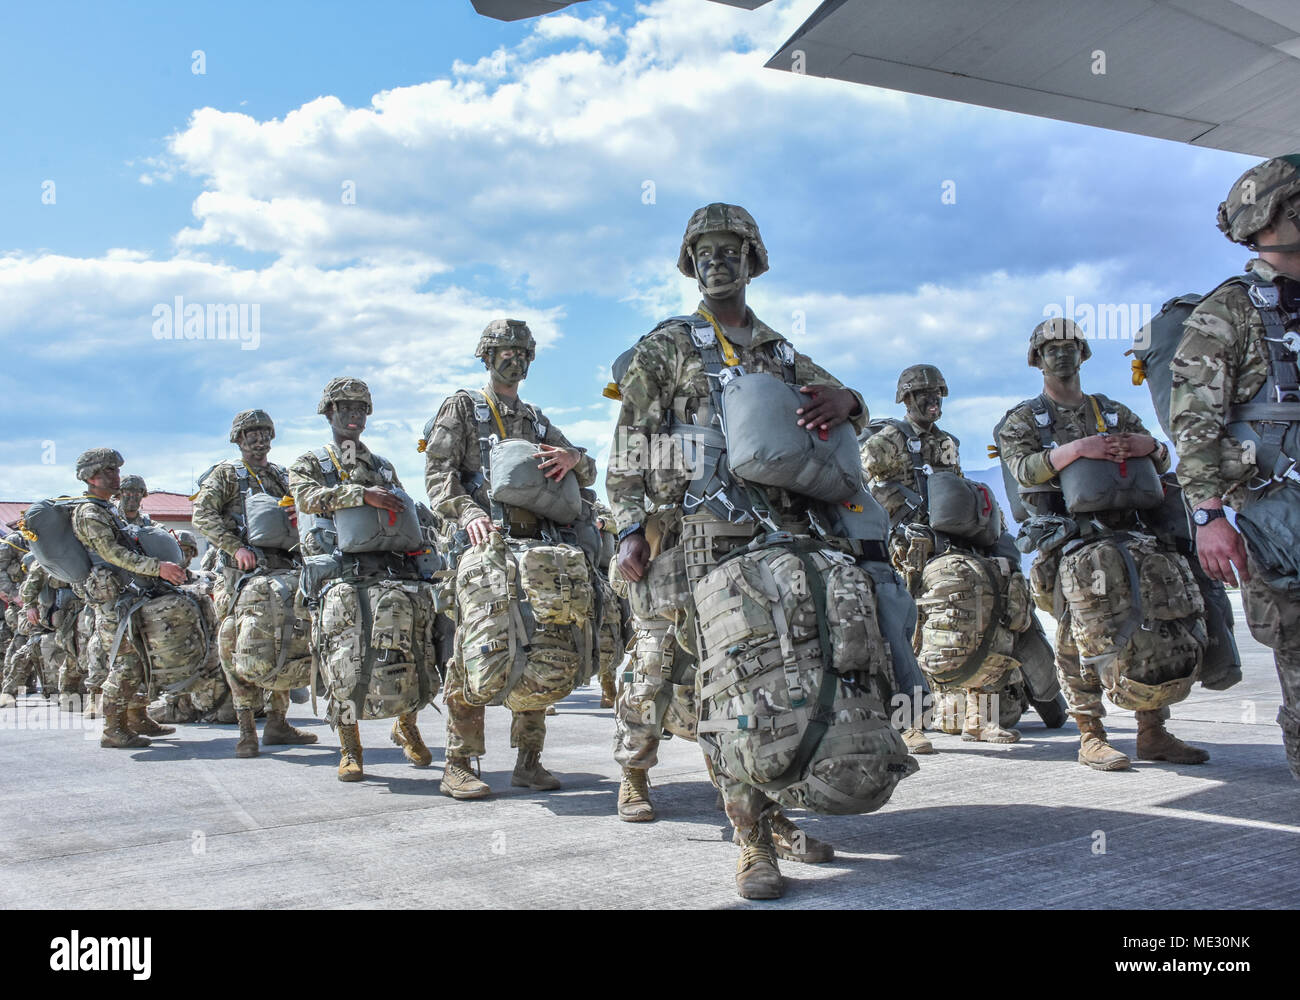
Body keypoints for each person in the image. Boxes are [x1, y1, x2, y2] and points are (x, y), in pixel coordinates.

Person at [607, 203, 889, 898]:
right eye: (704, 251)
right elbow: (630, 446)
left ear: (752, 260)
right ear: (691, 263)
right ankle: (693, 803)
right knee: (692, 679)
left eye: (730, 250)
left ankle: (770, 816)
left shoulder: (782, 353)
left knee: (773, 678)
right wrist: (628, 529)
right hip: (689, 540)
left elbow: (855, 409)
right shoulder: (664, 347)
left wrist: (848, 399)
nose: (716, 261)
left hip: (774, 537)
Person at [999, 319, 1208, 770]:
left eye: (1071, 346)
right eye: (1051, 348)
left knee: (1152, 622)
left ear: (1083, 353)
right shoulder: (1023, 419)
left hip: (1134, 533)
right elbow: (1022, 471)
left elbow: (1163, 457)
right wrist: (1077, 451)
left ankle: (1152, 730)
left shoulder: (1112, 411)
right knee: (1081, 633)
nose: (1062, 354)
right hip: (1071, 539)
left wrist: (1147, 445)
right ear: (1036, 359)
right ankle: (1090, 733)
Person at [1169, 153, 1300, 780]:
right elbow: (1194, 426)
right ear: (1279, 214)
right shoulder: (1229, 313)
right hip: (1276, 523)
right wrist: (1208, 517)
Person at [423, 319, 595, 797]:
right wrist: (467, 514)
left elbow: (584, 464)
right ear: (486, 355)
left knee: (541, 639)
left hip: (536, 550)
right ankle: (458, 762)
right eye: (505, 350)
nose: (514, 358)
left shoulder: (536, 419)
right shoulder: (462, 408)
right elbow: (438, 474)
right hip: (483, 546)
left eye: (523, 353)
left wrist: (574, 459)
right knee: (473, 648)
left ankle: (529, 760)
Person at [290, 378, 440, 782]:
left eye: (361, 409)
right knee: (343, 663)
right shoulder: (312, 463)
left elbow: (404, 510)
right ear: (329, 413)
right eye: (345, 409)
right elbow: (306, 498)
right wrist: (360, 495)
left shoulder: (384, 465)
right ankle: (350, 747)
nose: (354, 416)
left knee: (410, 653)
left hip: (391, 571)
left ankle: (406, 725)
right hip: (341, 574)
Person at [193, 409, 316, 756]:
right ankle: (247, 728)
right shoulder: (226, 475)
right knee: (236, 644)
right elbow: (202, 515)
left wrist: (297, 513)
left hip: (284, 569)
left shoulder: (281, 476)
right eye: (251, 434)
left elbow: (307, 510)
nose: (259, 439)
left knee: (288, 642)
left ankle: (278, 722)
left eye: (265, 433)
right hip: (239, 575)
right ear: (239, 439)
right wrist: (235, 547)